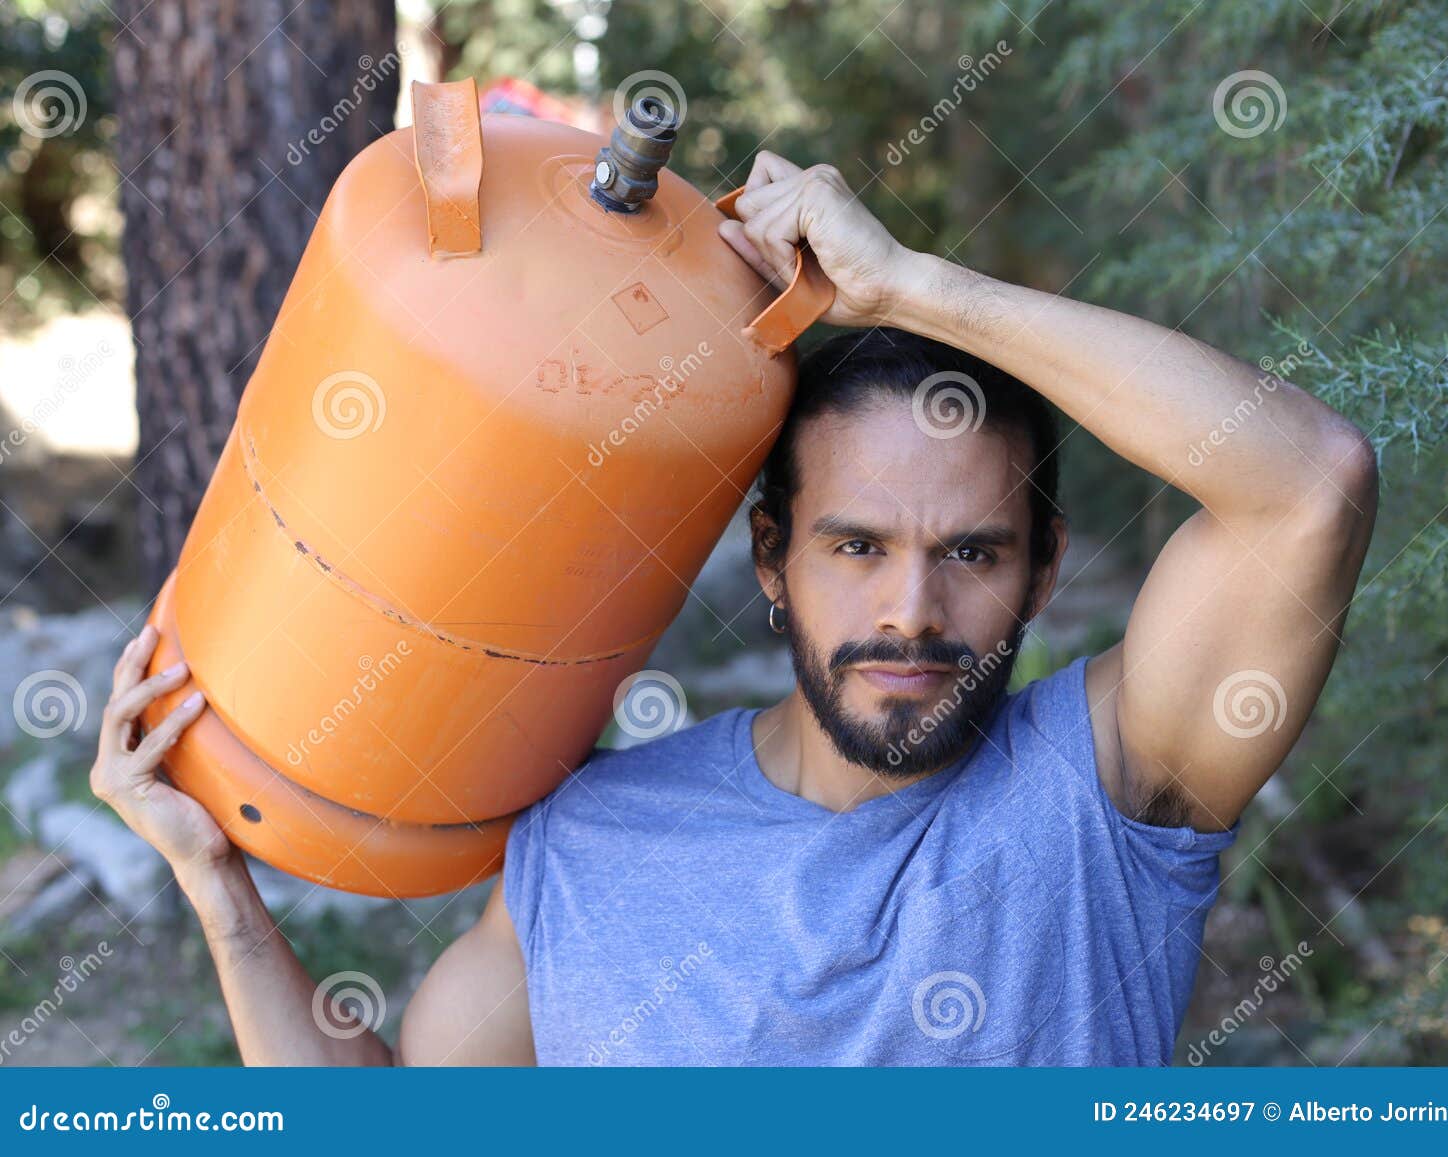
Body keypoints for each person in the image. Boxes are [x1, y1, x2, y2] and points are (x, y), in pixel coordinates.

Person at [92, 150, 1377, 1066]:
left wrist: (916, 290)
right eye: (855, 544)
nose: (910, 609)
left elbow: (1306, 485)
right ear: (772, 559)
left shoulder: (1110, 792)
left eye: (973, 552)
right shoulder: (590, 837)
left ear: (1043, 572)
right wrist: (221, 890)